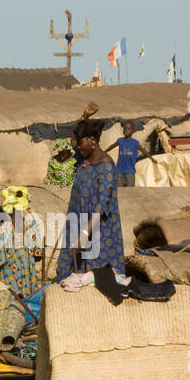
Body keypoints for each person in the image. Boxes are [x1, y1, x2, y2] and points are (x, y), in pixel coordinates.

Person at [55, 118, 124, 281]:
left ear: (92, 140)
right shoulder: (83, 159)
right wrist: (83, 118)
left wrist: (85, 233)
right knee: (68, 267)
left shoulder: (106, 166)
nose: (77, 147)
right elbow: (72, 140)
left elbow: (103, 203)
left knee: (95, 274)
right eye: (78, 144)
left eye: (81, 143)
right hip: (77, 222)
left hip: (98, 229)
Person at [0, 185, 44, 298]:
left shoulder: (4, 230)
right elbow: (37, 251)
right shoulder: (29, 226)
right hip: (22, 276)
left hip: (13, 276)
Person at [104, 121, 148, 187]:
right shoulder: (120, 140)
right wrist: (104, 151)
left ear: (133, 131)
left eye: (128, 128)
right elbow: (112, 146)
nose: (126, 130)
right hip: (119, 170)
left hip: (130, 171)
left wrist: (151, 158)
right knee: (119, 187)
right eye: (124, 128)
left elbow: (143, 151)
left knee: (130, 189)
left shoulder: (135, 142)